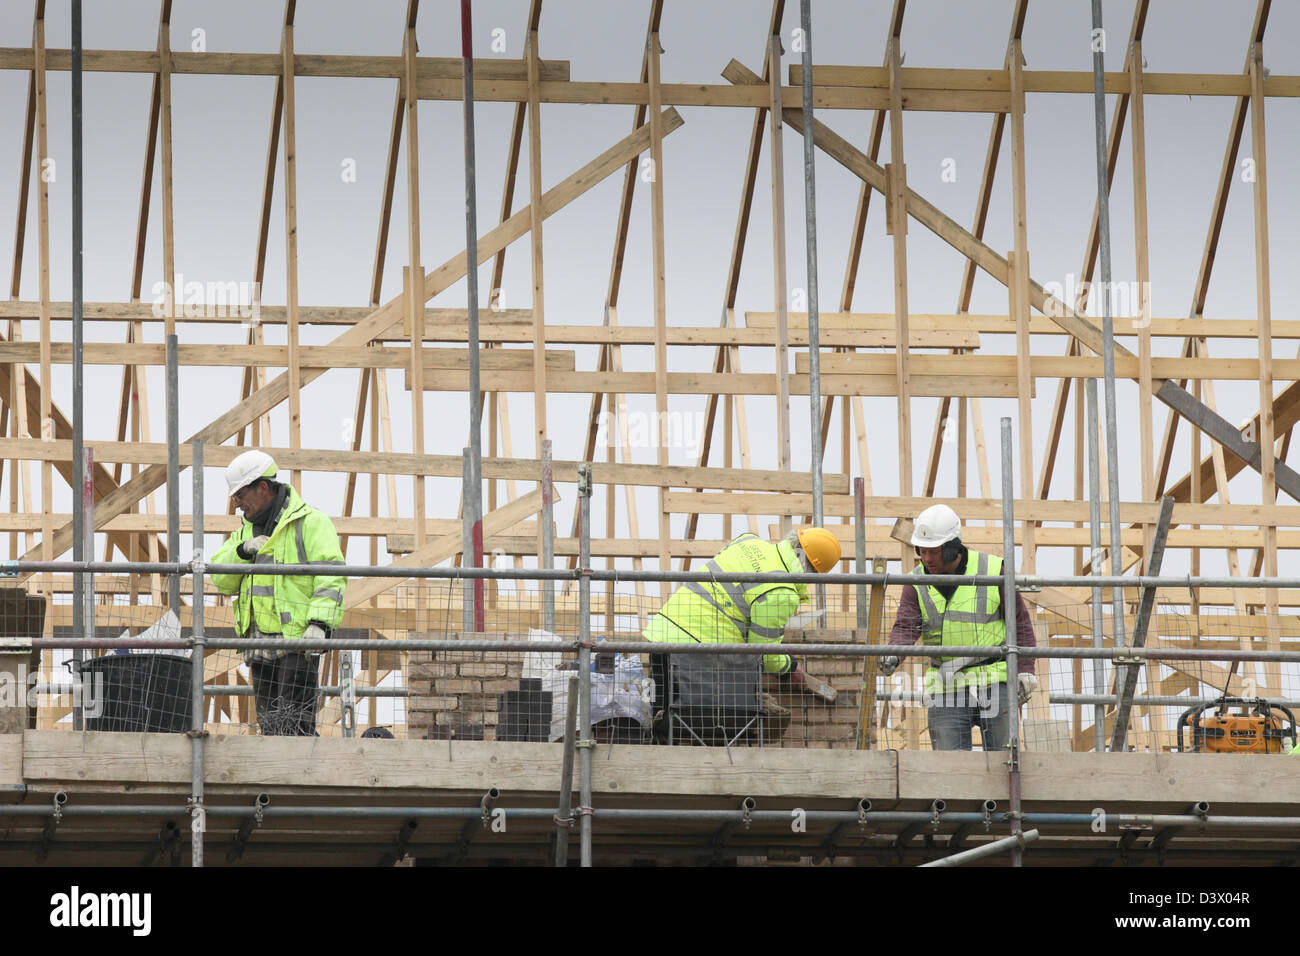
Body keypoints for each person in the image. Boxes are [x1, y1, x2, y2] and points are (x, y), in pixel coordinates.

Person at [642, 528, 842, 742]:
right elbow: (765, 655)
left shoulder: (750, 542)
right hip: (698, 653)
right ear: (811, 570)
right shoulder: (782, 591)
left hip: (662, 635)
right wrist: (790, 667)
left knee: (659, 718)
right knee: (716, 730)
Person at [878, 504, 1038, 752]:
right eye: (922, 551)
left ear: (954, 549)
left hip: (994, 680)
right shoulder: (916, 582)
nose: (927, 558)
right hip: (946, 684)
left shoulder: (994, 571)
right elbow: (906, 625)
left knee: (1005, 763)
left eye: (934, 551)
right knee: (949, 768)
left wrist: (1026, 670)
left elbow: (1020, 623)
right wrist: (894, 652)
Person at [211, 451, 346, 736]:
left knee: (296, 725)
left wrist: (319, 625)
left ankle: (302, 779)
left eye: (240, 495)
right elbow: (221, 580)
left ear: (262, 487)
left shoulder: (310, 523)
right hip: (260, 646)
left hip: (297, 641)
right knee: (270, 727)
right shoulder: (246, 531)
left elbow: (331, 577)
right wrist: (242, 551)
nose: (236, 504)